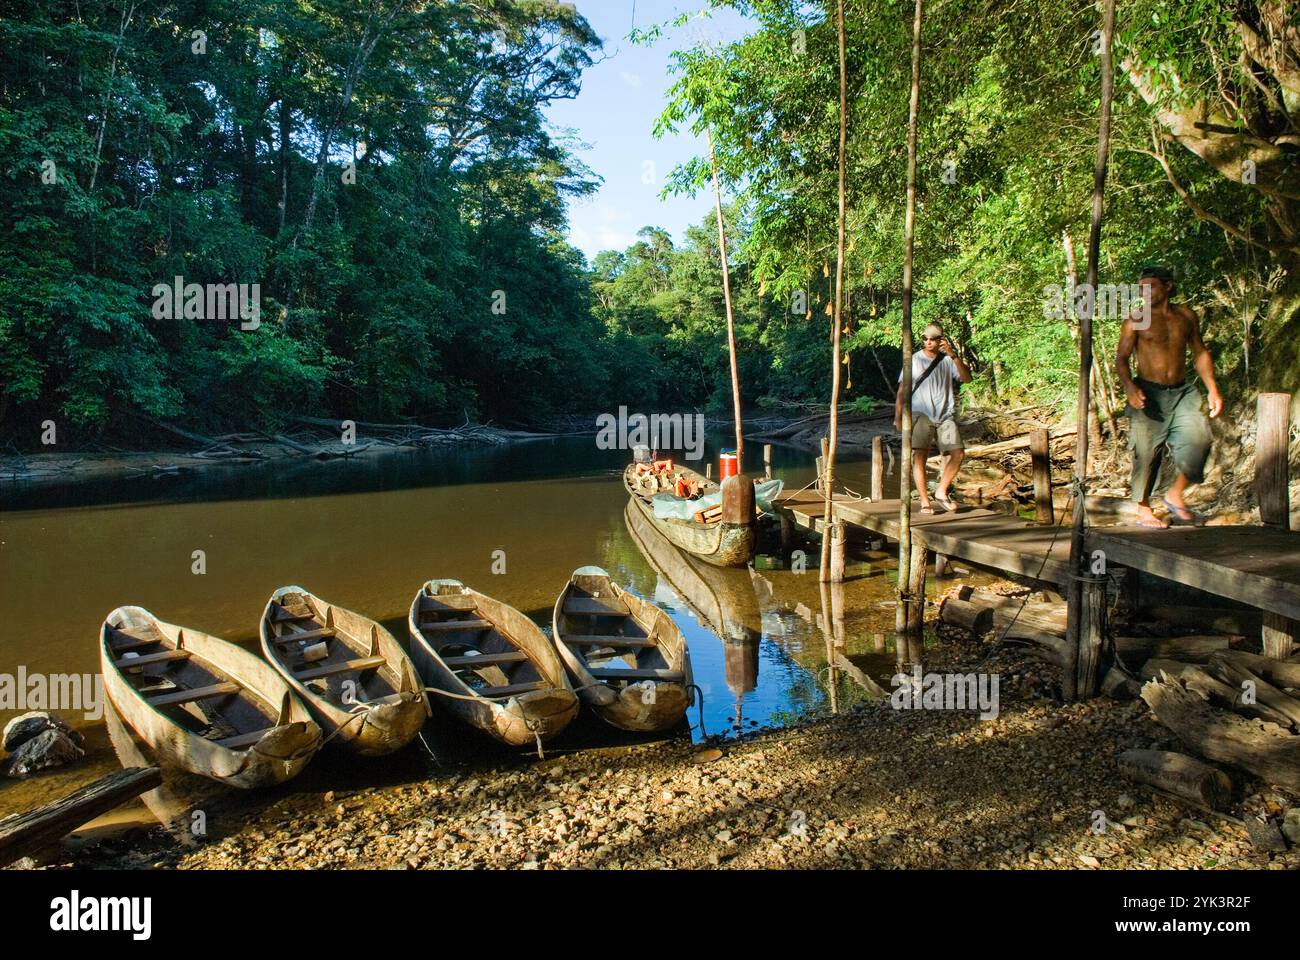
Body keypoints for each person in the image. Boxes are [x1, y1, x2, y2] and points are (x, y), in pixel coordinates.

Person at [1115, 264, 1223, 528]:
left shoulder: (1186, 316)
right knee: (1147, 452)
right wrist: (1129, 387)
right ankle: (1143, 509)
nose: (1145, 292)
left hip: (1182, 391)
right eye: (1141, 288)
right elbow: (1121, 358)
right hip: (1147, 392)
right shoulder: (1136, 319)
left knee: (1200, 440)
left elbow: (1199, 352)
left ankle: (1175, 494)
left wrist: (1212, 389)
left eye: (1151, 287)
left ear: (1168, 287)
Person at [894, 323, 972, 513]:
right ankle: (924, 500)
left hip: (945, 416)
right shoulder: (913, 360)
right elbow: (902, 390)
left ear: (940, 341)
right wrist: (897, 417)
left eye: (933, 339)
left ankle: (941, 490)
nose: (928, 342)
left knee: (957, 453)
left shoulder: (947, 361)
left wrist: (953, 355)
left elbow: (967, 379)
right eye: (925, 339)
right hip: (921, 413)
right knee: (919, 456)